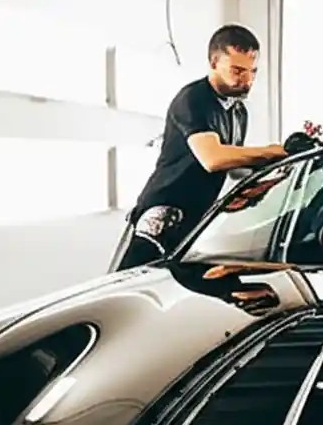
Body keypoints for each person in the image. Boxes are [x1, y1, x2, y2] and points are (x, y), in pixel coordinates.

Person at [112, 23, 288, 271]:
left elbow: (234, 168)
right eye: (237, 71)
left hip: (196, 221)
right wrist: (273, 150)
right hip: (160, 218)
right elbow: (213, 158)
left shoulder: (238, 112)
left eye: (253, 72)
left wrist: (281, 168)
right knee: (127, 288)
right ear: (214, 63)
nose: (247, 81)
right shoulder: (193, 99)